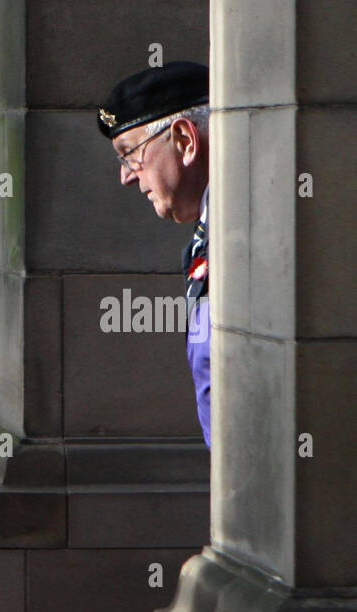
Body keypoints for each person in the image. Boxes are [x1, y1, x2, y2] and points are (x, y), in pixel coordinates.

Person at [98, 62, 212, 448]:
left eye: (131, 153)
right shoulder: (210, 236)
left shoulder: (246, 231)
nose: (127, 176)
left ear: (184, 139)